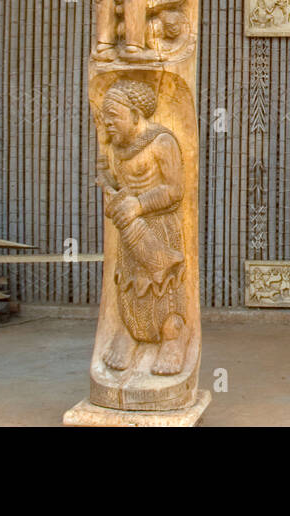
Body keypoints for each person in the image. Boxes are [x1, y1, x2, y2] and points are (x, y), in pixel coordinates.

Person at [97, 79, 188, 376]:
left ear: (136, 115)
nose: (108, 123)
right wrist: (111, 191)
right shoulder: (115, 149)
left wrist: (139, 205)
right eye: (104, 118)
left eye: (115, 116)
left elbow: (175, 190)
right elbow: (118, 186)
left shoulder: (162, 142)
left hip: (159, 224)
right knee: (128, 281)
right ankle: (130, 330)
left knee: (162, 284)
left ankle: (172, 336)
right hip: (129, 230)